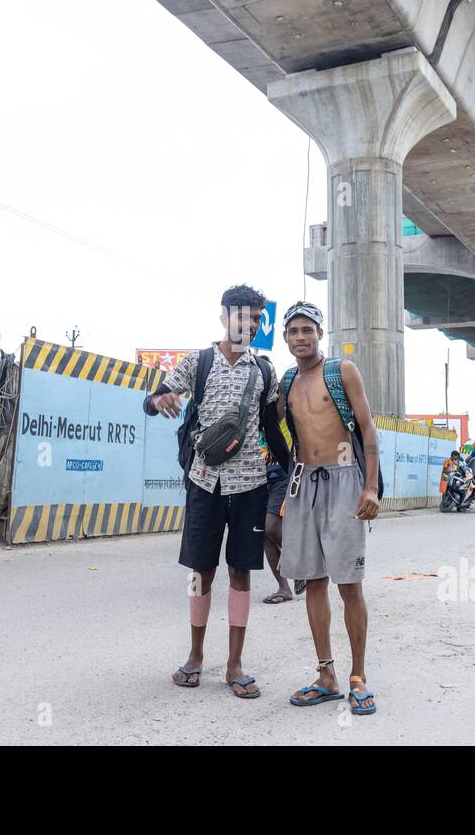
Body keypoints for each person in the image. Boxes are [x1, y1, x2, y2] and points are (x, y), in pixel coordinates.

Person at [144, 284, 291, 700]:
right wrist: (161, 399)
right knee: (200, 572)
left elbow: (271, 429)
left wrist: (293, 466)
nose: (249, 324)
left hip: (251, 485)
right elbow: (153, 398)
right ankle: (194, 658)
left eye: (256, 319)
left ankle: (235, 664)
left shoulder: (264, 371)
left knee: (241, 573)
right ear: (225, 317)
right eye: (242, 316)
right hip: (204, 483)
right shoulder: (198, 362)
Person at [275, 301, 380, 716]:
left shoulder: (342, 372)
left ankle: (358, 677)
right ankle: (326, 675)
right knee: (313, 582)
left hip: (344, 480)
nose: (301, 337)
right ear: (285, 338)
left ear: (321, 332)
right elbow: (273, 427)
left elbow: (368, 427)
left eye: (308, 330)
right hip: (304, 483)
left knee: (349, 584)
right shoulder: (285, 381)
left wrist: (370, 487)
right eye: (294, 331)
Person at [261, 431, 293, 605]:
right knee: (265, 534)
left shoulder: (284, 404)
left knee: (271, 526)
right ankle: (283, 587)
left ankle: (300, 566)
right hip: (257, 476)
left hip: (282, 473)